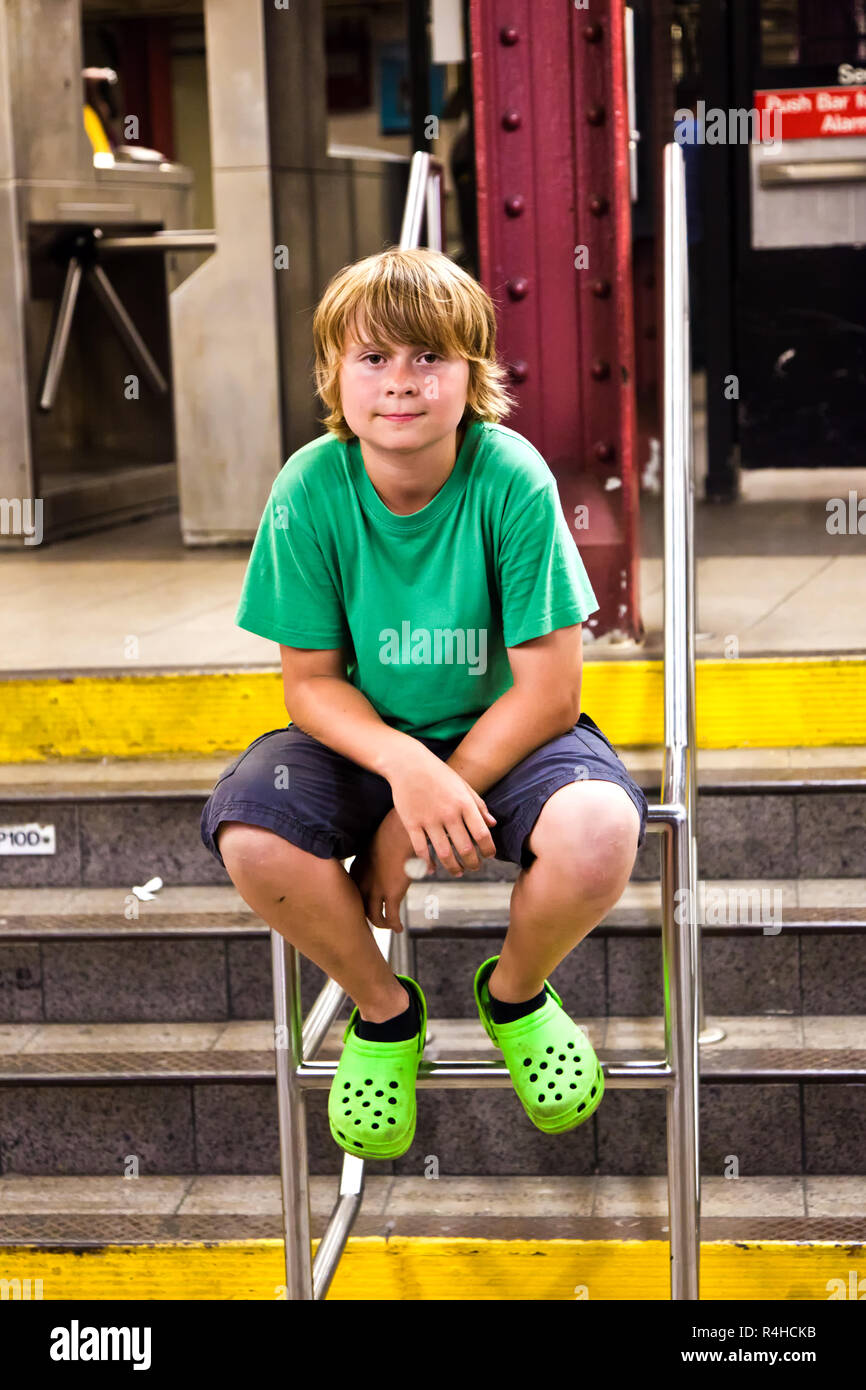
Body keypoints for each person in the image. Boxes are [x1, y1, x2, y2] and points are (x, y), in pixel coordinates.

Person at [200, 247, 649, 1161]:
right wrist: (406, 774)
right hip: (363, 744)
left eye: (429, 359)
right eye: (373, 359)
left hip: (512, 735)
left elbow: (552, 692)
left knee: (600, 829)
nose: (400, 384)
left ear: (472, 375)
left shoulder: (509, 477)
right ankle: (385, 1012)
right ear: (333, 374)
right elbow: (311, 684)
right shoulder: (310, 489)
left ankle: (515, 993)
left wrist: (416, 820)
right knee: (251, 833)